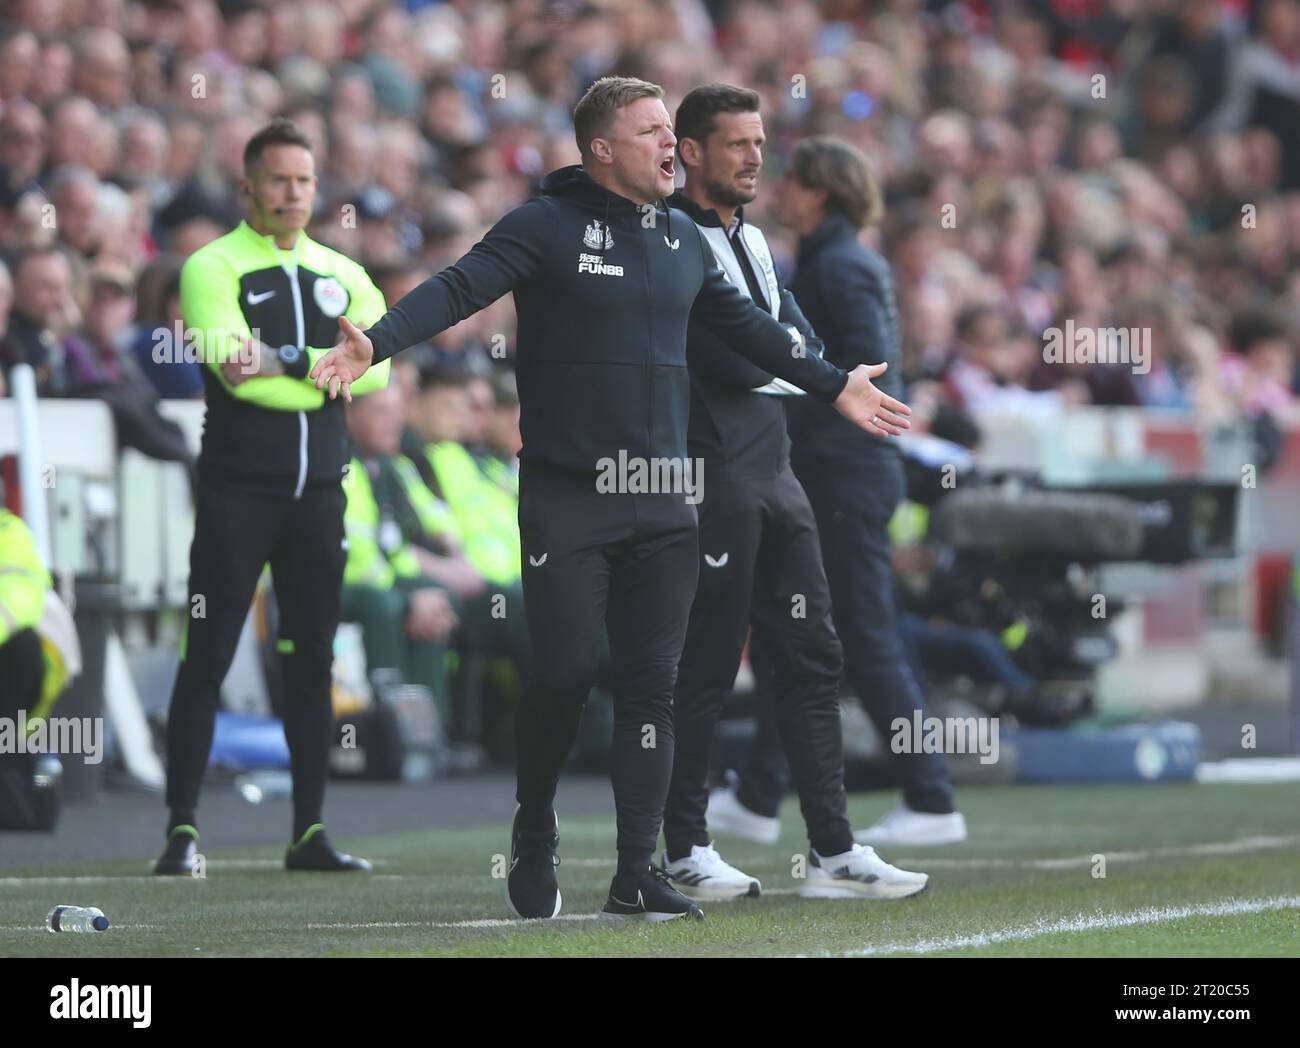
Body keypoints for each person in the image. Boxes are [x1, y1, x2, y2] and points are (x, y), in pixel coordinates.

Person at [310, 77, 911, 921]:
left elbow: (751, 329)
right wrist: (375, 345)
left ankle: (637, 870)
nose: (672, 143)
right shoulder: (544, 225)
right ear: (601, 149)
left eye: (672, 129)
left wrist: (830, 383)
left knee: (651, 688)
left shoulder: (681, 239)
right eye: (653, 131)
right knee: (562, 673)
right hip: (568, 496)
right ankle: (534, 824)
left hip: (666, 498)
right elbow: (458, 289)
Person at [659, 84, 928, 901]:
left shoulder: (755, 240)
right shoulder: (671, 237)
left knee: (815, 656)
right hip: (715, 471)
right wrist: (804, 372)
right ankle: (684, 847)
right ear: (691, 152)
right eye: (735, 143)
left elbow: (797, 337)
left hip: (775, 468)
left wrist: (802, 368)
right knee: (705, 664)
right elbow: (736, 354)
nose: (754, 157)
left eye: (759, 141)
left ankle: (834, 852)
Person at [713, 137, 968, 848]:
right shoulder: (843, 258)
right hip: (836, 472)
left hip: (844, 474)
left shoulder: (840, 264)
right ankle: (761, 793)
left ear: (820, 193)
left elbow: (861, 368)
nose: (780, 188)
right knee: (785, 627)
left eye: (793, 179)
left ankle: (931, 793)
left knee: (862, 633)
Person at [154, 118, 391, 876]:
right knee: (209, 655)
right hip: (238, 492)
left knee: (312, 660)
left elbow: (382, 368)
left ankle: (307, 833)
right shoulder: (211, 265)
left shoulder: (339, 268)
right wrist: (329, 365)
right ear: (248, 186)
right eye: (280, 180)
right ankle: (182, 831)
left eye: (305, 181)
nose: (294, 194)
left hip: (319, 495)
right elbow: (229, 362)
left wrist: (287, 358)